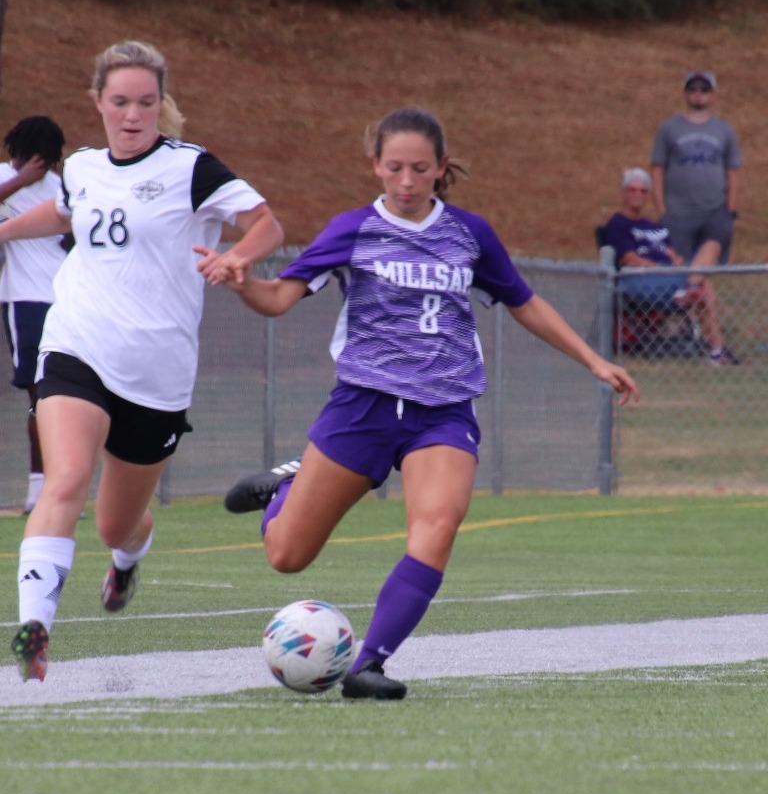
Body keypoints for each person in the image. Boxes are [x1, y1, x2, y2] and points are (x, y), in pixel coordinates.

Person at [215, 108, 639, 700]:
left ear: (441, 168)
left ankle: (369, 665)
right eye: (395, 168)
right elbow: (278, 299)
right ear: (375, 167)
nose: (407, 181)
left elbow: (524, 302)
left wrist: (594, 360)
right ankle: (287, 486)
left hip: (441, 410)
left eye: (420, 168)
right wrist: (244, 284)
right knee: (286, 555)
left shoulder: (470, 234)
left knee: (437, 525)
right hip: (362, 406)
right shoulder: (351, 229)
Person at [0, 40, 284, 682]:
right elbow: (65, 210)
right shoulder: (83, 166)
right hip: (77, 341)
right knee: (65, 479)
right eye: (120, 101)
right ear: (98, 101)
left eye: (145, 103)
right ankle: (34, 631)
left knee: (116, 523)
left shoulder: (193, 168)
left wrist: (239, 257)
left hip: (157, 370)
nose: (132, 114)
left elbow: (266, 223)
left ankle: (128, 559)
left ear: (161, 105)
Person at [0, 115, 69, 515]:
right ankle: (38, 492)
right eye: (24, 155)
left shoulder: (62, 189)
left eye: (40, 158)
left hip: (71, 302)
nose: (30, 163)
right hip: (26, 300)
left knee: (69, 396)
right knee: (39, 394)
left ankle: (61, 486)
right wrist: (19, 182)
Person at [600, 167, 735, 365]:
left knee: (712, 245)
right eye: (632, 189)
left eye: (643, 191)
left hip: (668, 276)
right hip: (638, 279)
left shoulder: (656, 226)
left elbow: (673, 255)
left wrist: (677, 262)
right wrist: (661, 267)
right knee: (704, 286)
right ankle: (716, 349)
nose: (638, 194)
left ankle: (690, 288)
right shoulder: (617, 224)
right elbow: (630, 259)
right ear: (623, 193)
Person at [649, 70, 742, 269]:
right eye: (692, 89)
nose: (698, 93)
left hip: (715, 213)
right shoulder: (668, 129)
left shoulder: (725, 130)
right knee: (680, 267)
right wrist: (662, 210)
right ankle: (686, 298)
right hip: (678, 213)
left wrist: (729, 211)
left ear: (713, 95)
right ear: (685, 94)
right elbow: (657, 170)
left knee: (708, 266)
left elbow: (733, 172)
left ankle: (703, 299)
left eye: (704, 89)